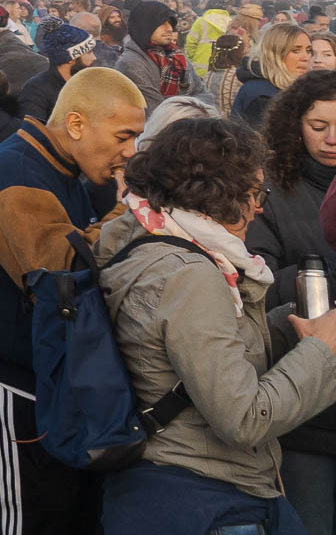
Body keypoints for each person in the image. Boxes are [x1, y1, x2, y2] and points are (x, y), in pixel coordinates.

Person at [97, 115, 336, 535]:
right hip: (205, 494)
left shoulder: (149, 236)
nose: (260, 205)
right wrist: (324, 352)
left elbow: (208, 349)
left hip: (173, 482)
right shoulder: (189, 274)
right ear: (218, 192)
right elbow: (244, 417)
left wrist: (292, 322)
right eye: (255, 192)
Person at [0, 66, 146, 534]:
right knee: (28, 521)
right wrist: (128, 210)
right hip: (10, 385)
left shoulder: (62, 166)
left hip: (51, 377)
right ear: (76, 124)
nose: (130, 152)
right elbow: (59, 269)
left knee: (68, 515)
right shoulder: (13, 171)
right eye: (123, 135)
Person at [248, 70, 336, 533]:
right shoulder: (271, 191)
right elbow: (252, 285)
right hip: (306, 404)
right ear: (294, 124)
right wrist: (315, 276)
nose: (331, 139)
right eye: (318, 126)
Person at [115, 0, 195, 113]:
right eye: (162, 24)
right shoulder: (130, 63)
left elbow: (204, 94)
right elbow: (156, 110)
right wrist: (194, 109)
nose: (170, 29)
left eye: (170, 23)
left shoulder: (176, 57)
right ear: (145, 26)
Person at [17, 18, 99, 124]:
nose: (94, 58)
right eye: (89, 52)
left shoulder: (88, 84)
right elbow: (31, 133)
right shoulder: (36, 90)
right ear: (70, 58)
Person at [233, 22, 312, 127]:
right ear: (275, 54)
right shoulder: (262, 96)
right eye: (295, 51)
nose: (305, 57)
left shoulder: (296, 86)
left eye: (308, 50)